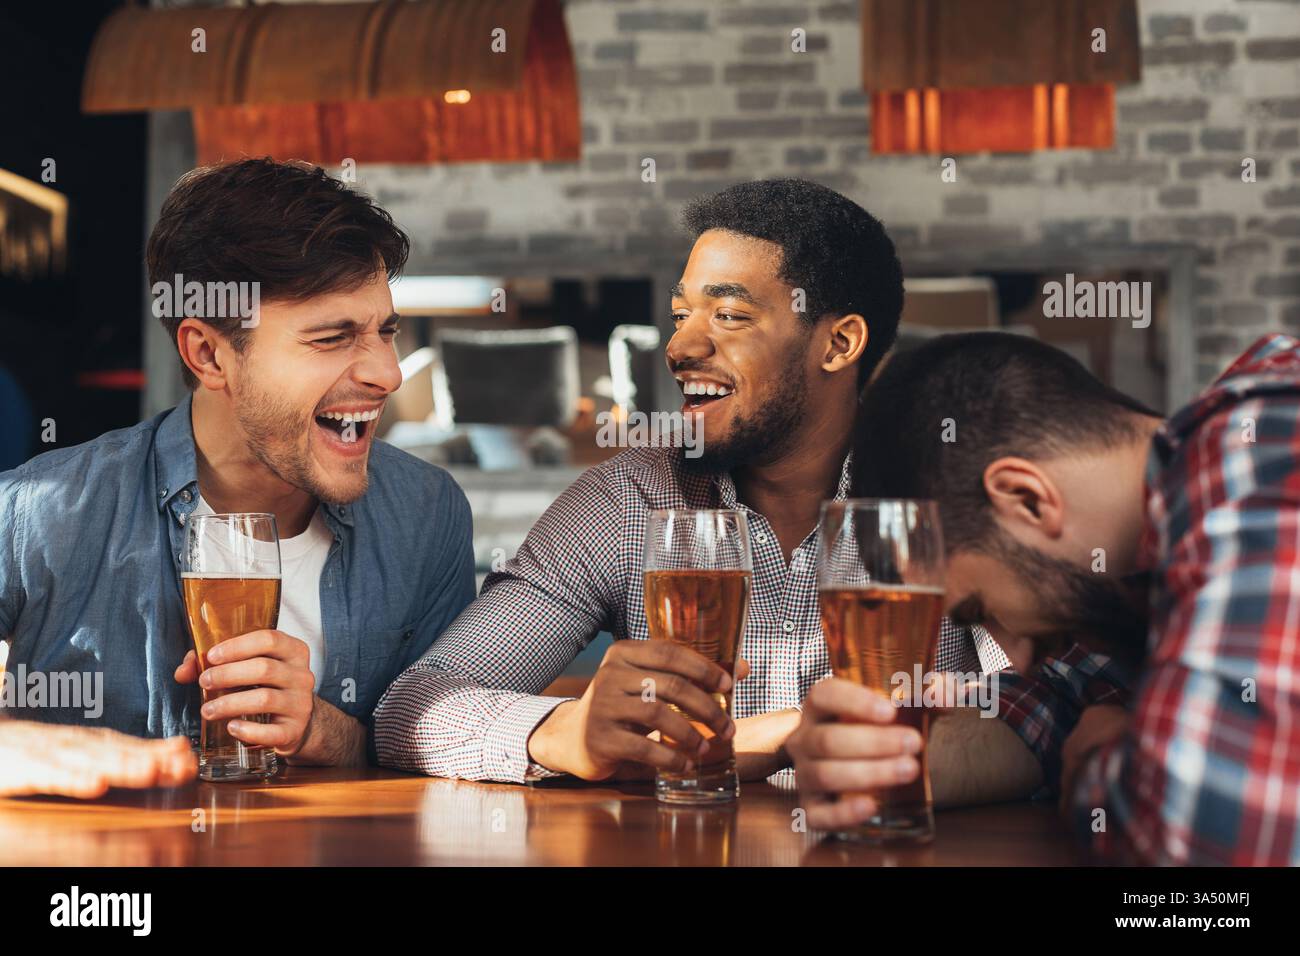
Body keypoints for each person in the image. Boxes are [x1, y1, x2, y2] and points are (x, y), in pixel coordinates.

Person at [374, 180, 1062, 796]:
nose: (681, 347)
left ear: (840, 343)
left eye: (728, 317)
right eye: (680, 316)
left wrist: (803, 737)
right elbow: (412, 708)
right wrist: (563, 731)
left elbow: (1043, 708)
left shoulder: (949, 495)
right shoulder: (624, 502)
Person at [0, 158, 475, 797]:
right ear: (209, 354)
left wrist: (324, 732)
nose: (388, 374)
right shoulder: (40, 511)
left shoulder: (427, 511)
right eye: (333, 338)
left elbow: (443, 746)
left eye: (384, 332)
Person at [788, 331, 1300, 865]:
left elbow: (1206, 838)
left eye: (982, 613)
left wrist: (1099, 760)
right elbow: (1055, 706)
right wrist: (864, 760)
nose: (1021, 654)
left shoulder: (1254, 460)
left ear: (1026, 499)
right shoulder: (1134, 592)